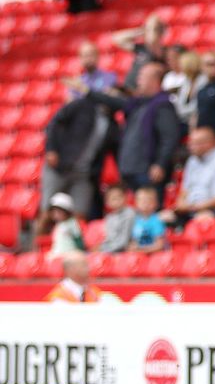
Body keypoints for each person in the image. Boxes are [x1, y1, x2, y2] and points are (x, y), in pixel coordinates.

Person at [86, 62, 181, 198]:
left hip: (147, 170)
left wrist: (160, 163)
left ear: (154, 80)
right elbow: (112, 101)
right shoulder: (138, 103)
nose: (138, 80)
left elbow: (170, 137)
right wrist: (88, 92)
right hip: (131, 168)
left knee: (150, 208)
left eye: (142, 77)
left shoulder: (163, 106)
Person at [43, 86, 118, 219]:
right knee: (47, 211)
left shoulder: (113, 125)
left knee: (80, 212)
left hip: (84, 174)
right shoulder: (82, 105)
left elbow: (114, 151)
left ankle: (75, 239)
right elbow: (55, 123)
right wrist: (51, 149)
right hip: (60, 167)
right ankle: (37, 239)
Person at [165, 127, 215, 224]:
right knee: (161, 219)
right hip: (192, 209)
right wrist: (180, 205)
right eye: (190, 142)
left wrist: (192, 207)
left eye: (195, 143)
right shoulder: (192, 160)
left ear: (209, 143)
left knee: (200, 221)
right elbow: (185, 190)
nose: (190, 146)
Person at [113, 14, 168, 93]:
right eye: (147, 28)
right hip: (127, 89)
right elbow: (117, 39)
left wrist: (152, 29)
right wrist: (141, 31)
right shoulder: (141, 48)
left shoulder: (163, 52)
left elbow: (153, 43)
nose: (150, 32)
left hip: (141, 92)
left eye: (154, 29)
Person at [165, 50, 203, 128]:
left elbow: (196, 107)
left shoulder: (202, 80)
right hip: (184, 118)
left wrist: (178, 112)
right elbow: (180, 102)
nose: (180, 66)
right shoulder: (187, 81)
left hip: (196, 119)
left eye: (181, 64)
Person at [45, 193, 85, 259]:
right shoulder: (58, 225)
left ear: (67, 212)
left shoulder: (72, 223)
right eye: (54, 212)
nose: (56, 215)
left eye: (59, 212)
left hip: (70, 253)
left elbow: (78, 239)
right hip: (58, 252)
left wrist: (81, 251)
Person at [129, 186, 166, 254]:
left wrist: (144, 250)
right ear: (136, 203)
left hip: (153, 256)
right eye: (142, 201)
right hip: (139, 255)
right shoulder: (134, 220)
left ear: (155, 203)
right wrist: (133, 248)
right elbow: (133, 241)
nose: (145, 204)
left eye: (149, 201)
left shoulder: (157, 221)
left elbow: (160, 245)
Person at [99, 184, 135, 253]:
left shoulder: (129, 213)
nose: (117, 201)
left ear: (125, 197)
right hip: (110, 249)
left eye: (119, 197)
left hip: (124, 251)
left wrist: (104, 250)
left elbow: (124, 240)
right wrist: (101, 247)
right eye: (113, 198)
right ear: (107, 202)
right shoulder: (109, 217)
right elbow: (109, 238)